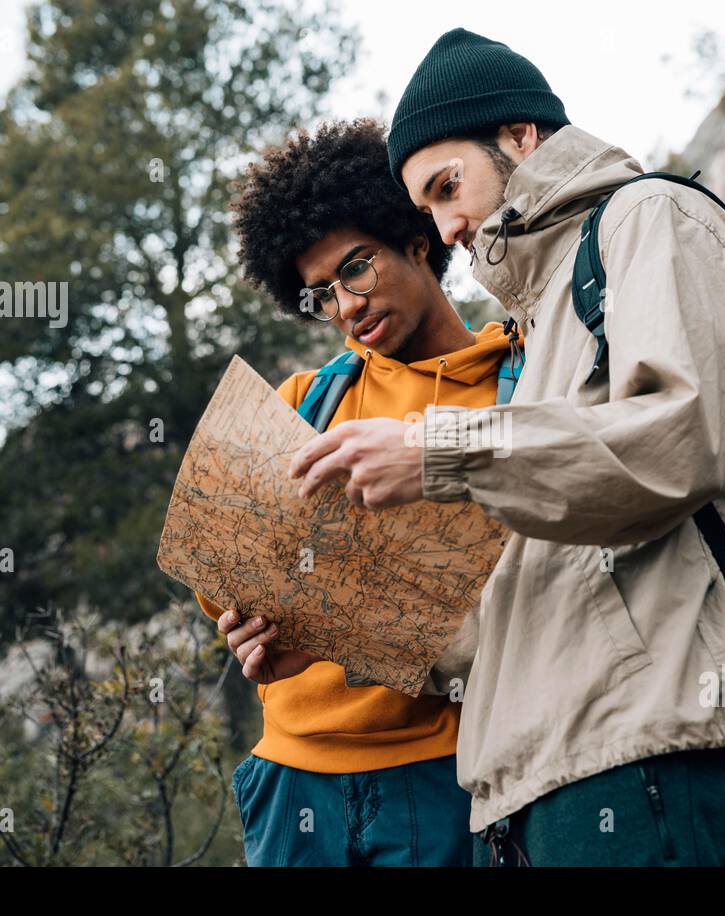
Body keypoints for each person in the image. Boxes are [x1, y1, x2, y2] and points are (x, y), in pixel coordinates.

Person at [284, 28, 725, 866]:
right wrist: (330, 629)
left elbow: (676, 441)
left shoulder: (649, 217)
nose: (446, 229)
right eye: (428, 208)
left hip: (641, 750)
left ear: (521, 135)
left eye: (448, 186)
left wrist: (437, 452)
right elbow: (519, 602)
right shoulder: (538, 321)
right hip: (518, 793)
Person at [200, 117, 519, 866]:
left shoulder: (520, 389)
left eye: (356, 269)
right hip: (290, 779)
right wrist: (243, 624)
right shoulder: (304, 401)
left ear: (418, 242)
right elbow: (220, 575)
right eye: (320, 294)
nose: (345, 306)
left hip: (441, 777)